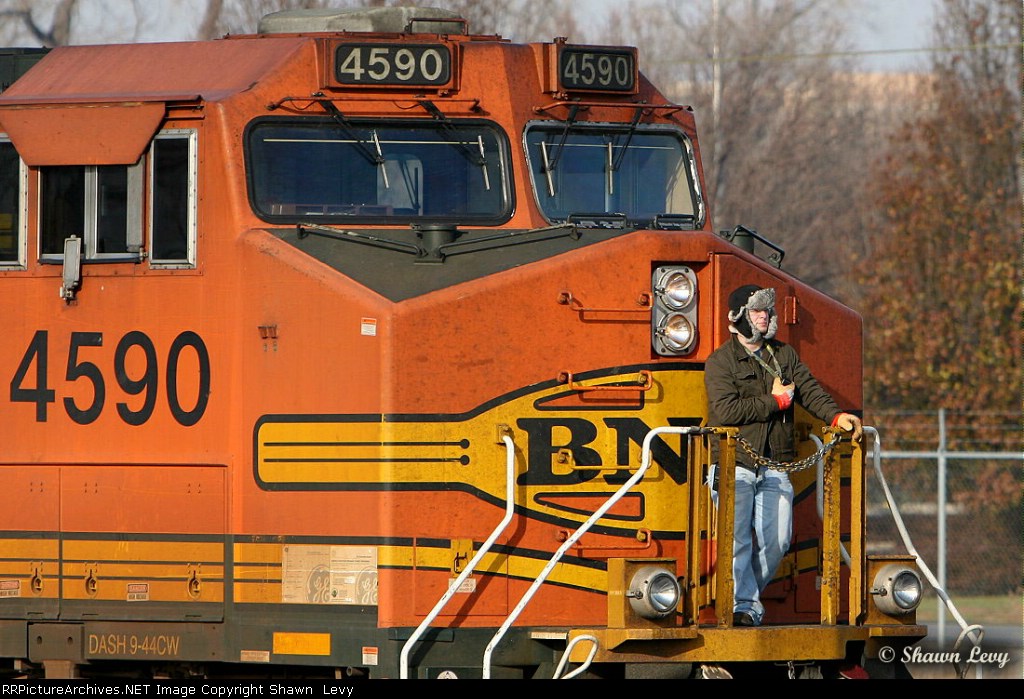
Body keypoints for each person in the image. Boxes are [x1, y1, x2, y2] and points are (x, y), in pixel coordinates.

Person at [704, 284, 862, 627]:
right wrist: (775, 402)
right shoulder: (720, 362)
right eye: (757, 311)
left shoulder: (784, 356)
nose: (764, 316)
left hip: (775, 465)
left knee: (777, 540)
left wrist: (836, 416)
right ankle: (744, 605)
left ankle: (742, 601)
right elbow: (726, 410)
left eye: (767, 311)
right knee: (738, 541)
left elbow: (809, 390)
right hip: (734, 465)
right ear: (738, 317)